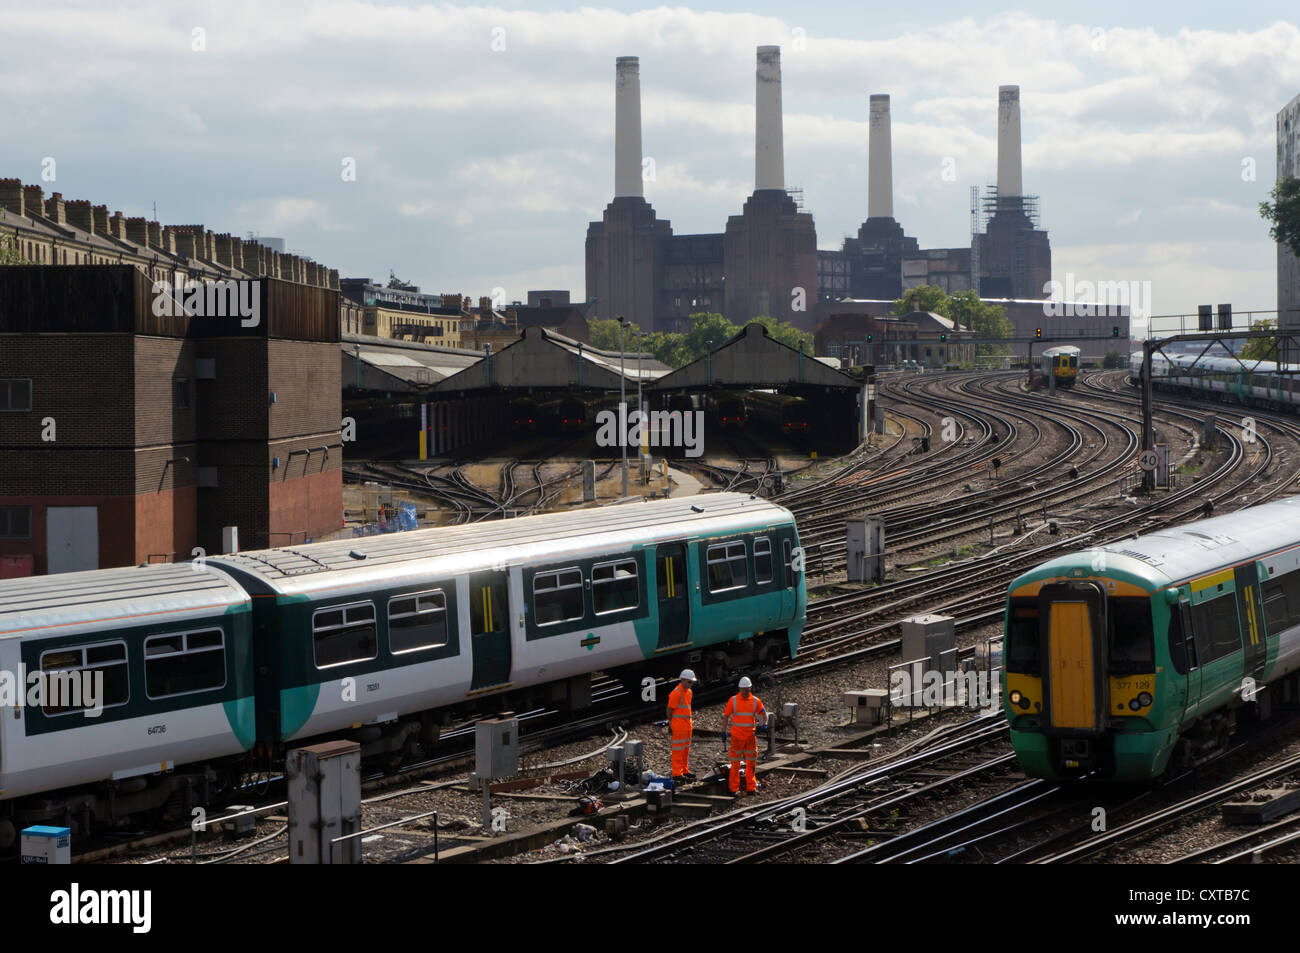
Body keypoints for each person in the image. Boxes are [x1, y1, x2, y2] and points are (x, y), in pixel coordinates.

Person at [722, 676, 767, 795]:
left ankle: (751, 788)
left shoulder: (755, 701)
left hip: (750, 737)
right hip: (738, 738)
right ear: (740, 688)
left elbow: (763, 713)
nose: (745, 691)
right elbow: (726, 716)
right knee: (735, 765)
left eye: (746, 689)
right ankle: (734, 789)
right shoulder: (734, 700)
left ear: (750, 688)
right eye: (743, 689)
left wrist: (764, 724)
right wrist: (723, 731)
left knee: (751, 764)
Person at [666, 669, 696, 782]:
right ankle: (677, 773)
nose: (691, 684)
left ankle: (684, 770)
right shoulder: (676, 693)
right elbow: (669, 710)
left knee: (685, 750)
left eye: (692, 682)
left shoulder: (689, 692)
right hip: (679, 726)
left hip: (687, 726)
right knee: (678, 750)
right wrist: (671, 723)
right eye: (689, 682)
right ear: (682, 680)